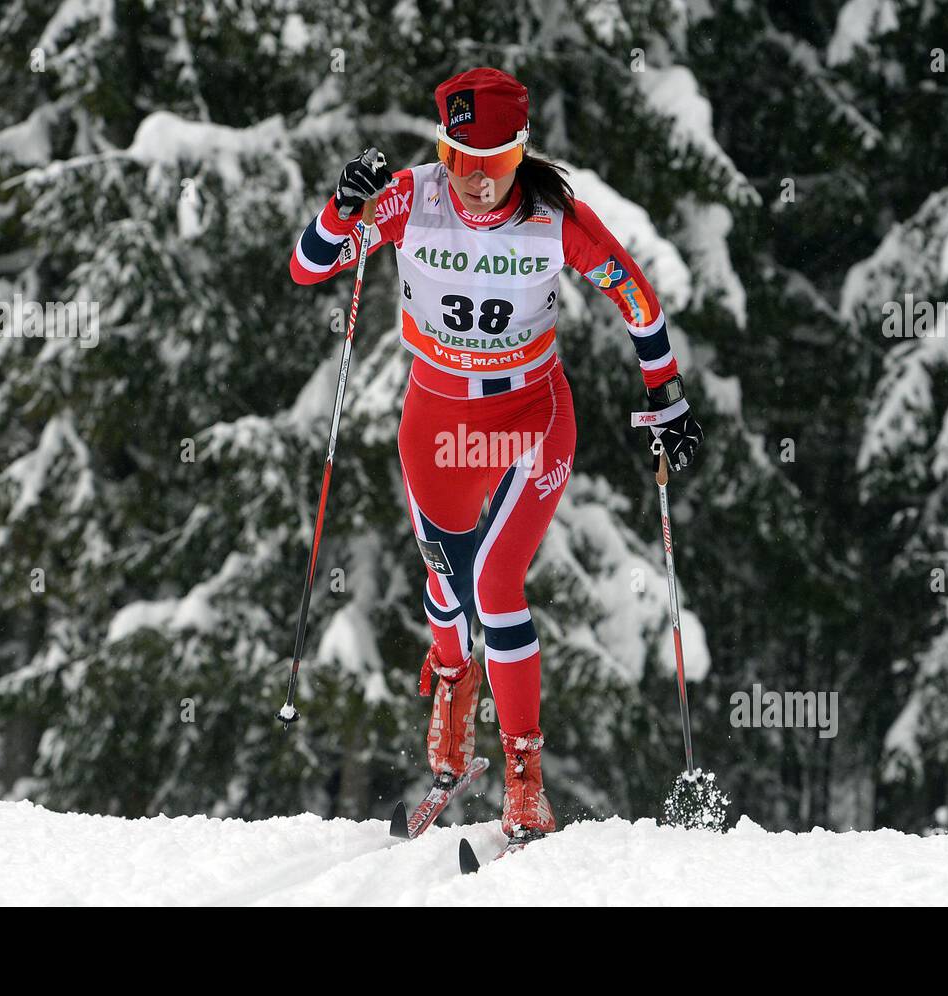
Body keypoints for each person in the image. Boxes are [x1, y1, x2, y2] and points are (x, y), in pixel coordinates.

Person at [289, 67, 703, 841]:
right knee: (446, 584)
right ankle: (452, 696)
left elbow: (633, 292)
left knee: (494, 581)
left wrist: (667, 394)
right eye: (461, 161)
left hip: (528, 416)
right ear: (443, 151)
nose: (477, 183)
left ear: (523, 152)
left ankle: (524, 779)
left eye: (497, 164)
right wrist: (343, 210)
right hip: (435, 420)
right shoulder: (412, 198)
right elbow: (309, 267)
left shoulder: (552, 216)